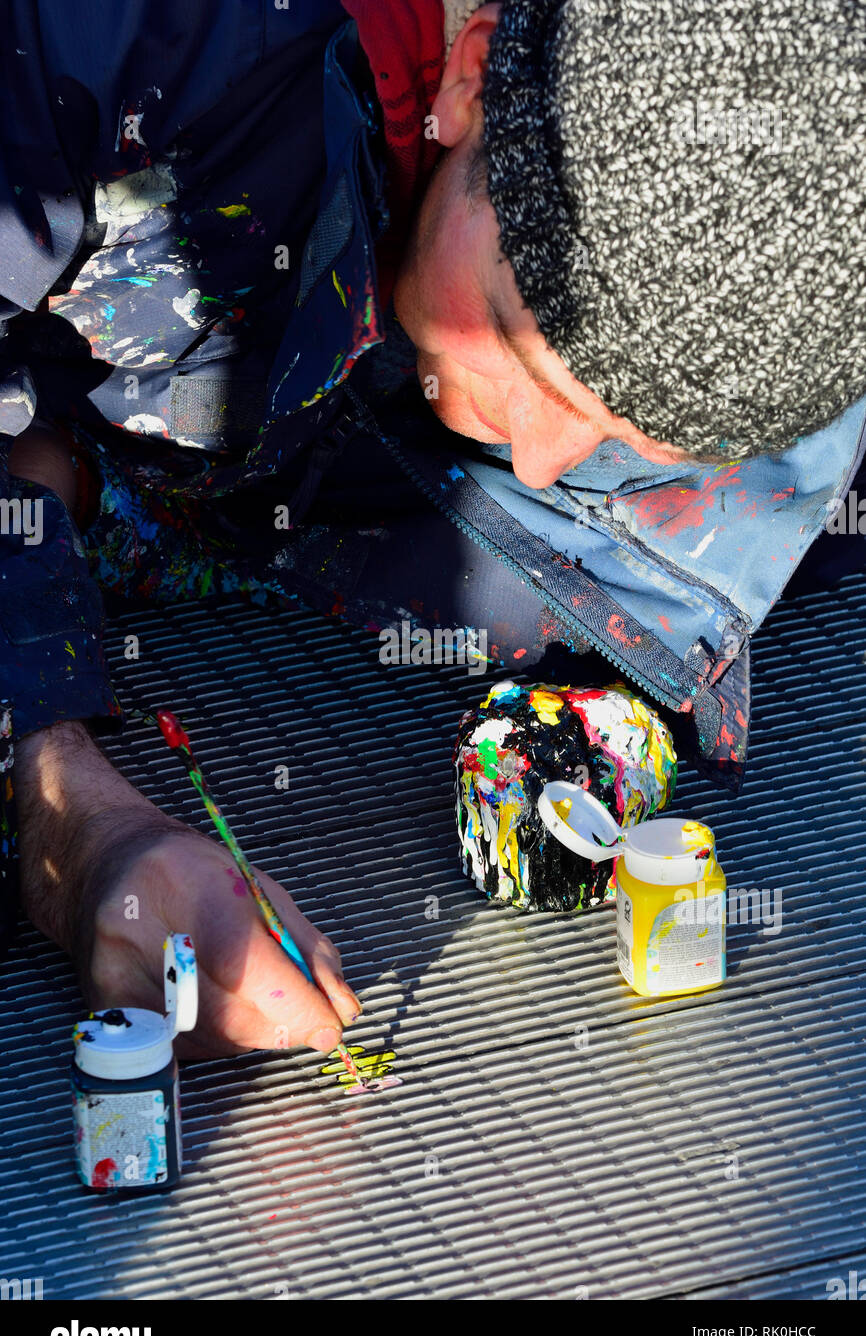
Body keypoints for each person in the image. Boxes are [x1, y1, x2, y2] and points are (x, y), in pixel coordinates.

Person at [1, 0, 864, 1057]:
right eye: (512, 332)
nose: (544, 454)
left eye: (627, 434)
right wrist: (79, 820)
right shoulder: (97, 48)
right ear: (469, 73)